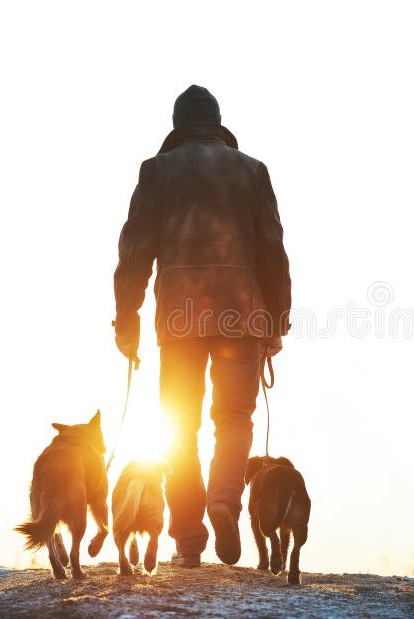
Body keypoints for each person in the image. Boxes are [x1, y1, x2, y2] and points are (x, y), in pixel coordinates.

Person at [113, 85, 291, 567]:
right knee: (233, 417)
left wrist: (126, 320)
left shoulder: (157, 171)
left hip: (179, 316)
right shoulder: (252, 171)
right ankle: (223, 503)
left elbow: (134, 253)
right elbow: (272, 250)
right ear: (217, 124)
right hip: (241, 314)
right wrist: (277, 319)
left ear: (178, 127)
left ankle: (189, 537)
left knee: (181, 423)